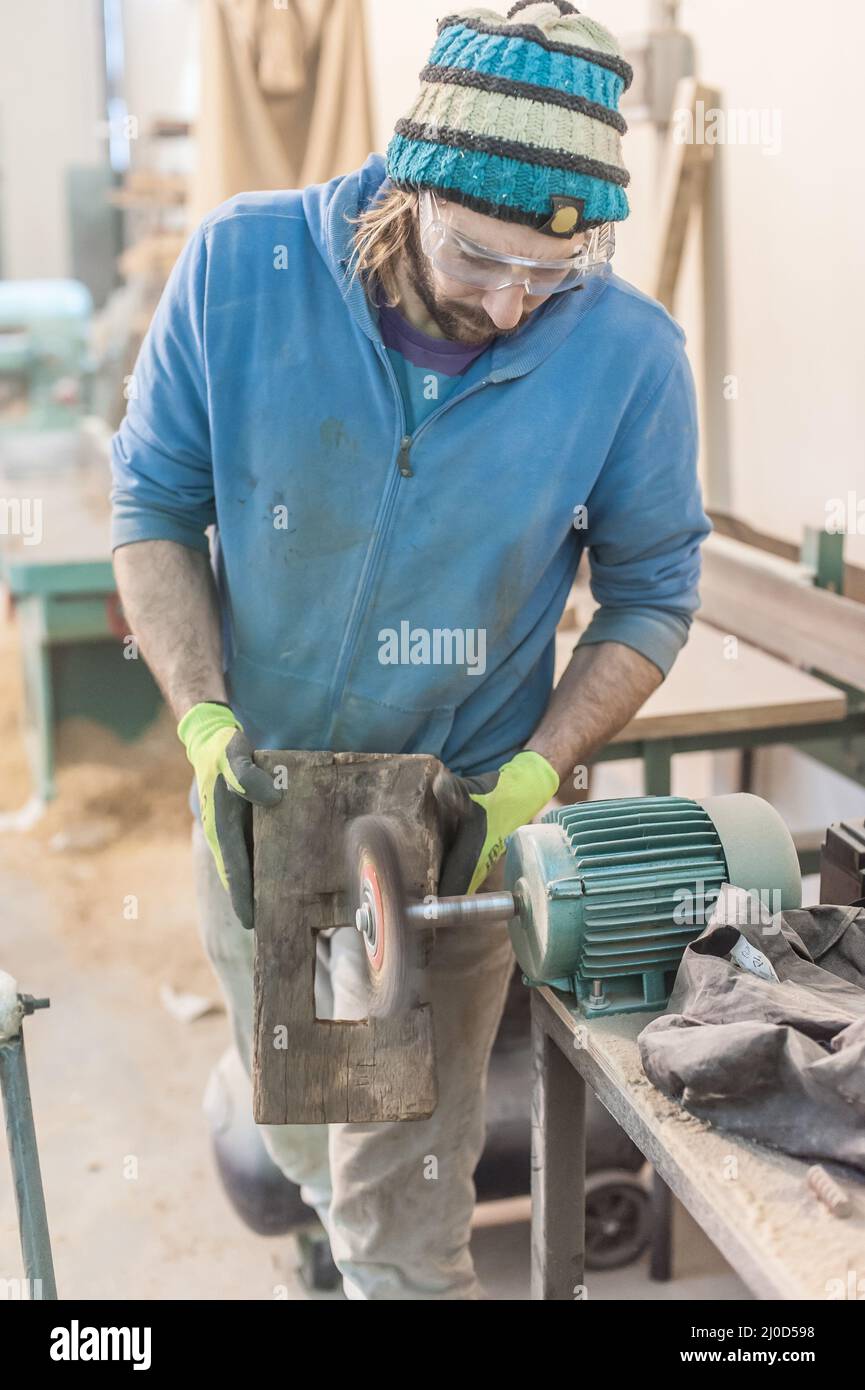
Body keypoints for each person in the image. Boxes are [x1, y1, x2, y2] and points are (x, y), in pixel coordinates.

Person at [110, 0, 710, 1299]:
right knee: (296, 1124)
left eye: (546, 273)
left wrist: (532, 777)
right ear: (404, 183)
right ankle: (311, 1193)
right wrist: (206, 723)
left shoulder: (625, 356)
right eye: (476, 256)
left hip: (442, 829)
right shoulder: (239, 270)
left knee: (405, 1215)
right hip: (258, 800)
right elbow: (150, 506)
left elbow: (652, 591)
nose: (507, 303)